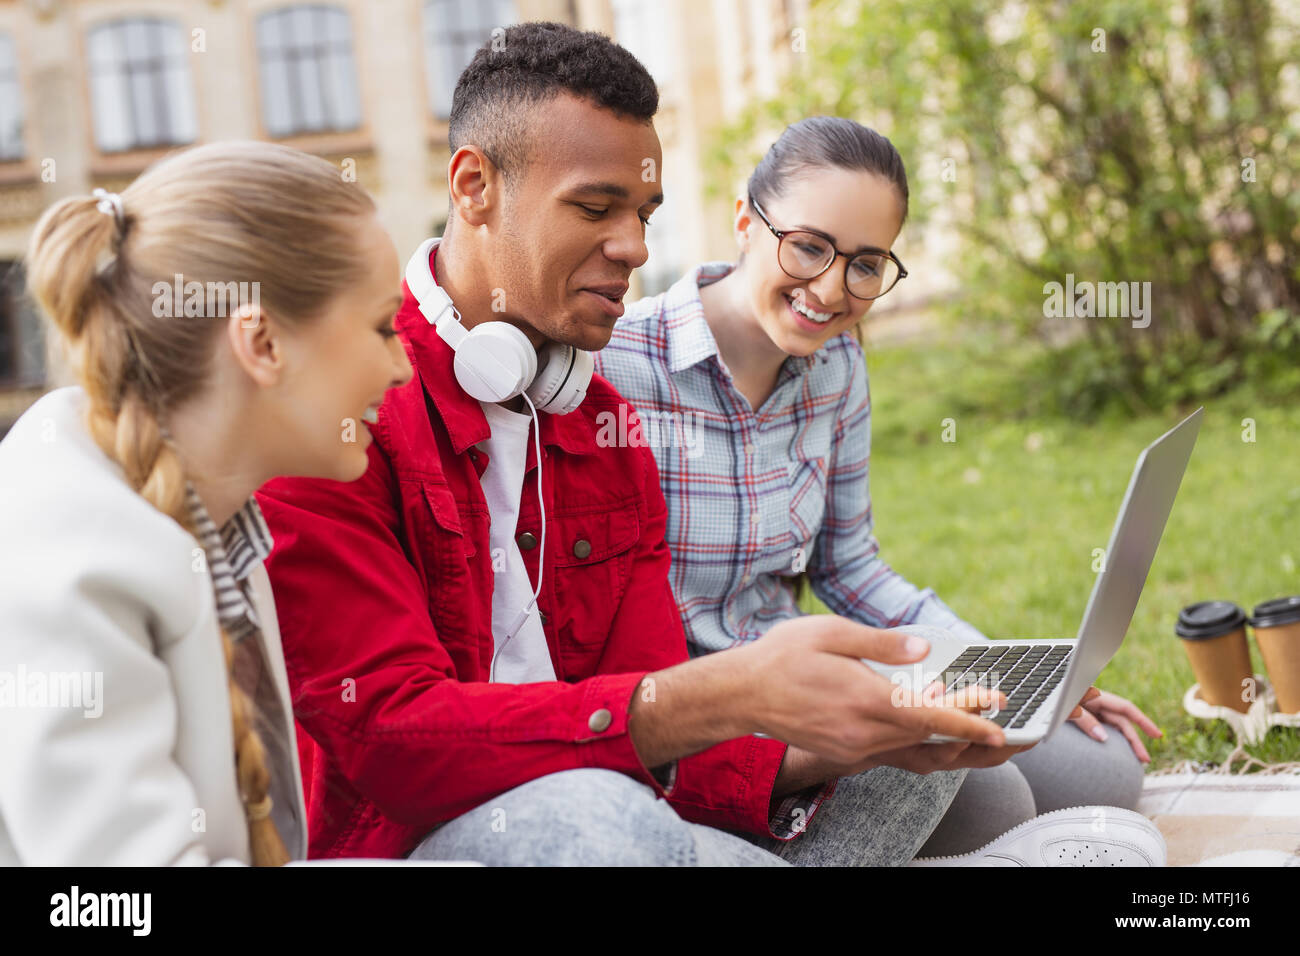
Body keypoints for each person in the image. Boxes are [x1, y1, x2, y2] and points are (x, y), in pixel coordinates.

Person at [255, 23, 1162, 867]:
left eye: (644, 211)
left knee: (922, 776)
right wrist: (721, 697)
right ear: (474, 186)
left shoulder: (597, 419)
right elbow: (391, 739)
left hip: (637, 797)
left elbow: (669, 720)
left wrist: (834, 741)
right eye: (597, 207)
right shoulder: (346, 408)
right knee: (602, 822)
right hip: (459, 830)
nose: (633, 246)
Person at [593, 116, 1163, 858]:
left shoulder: (837, 371)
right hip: (712, 709)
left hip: (809, 674)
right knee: (999, 800)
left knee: (1105, 772)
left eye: (866, 263)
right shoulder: (619, 367)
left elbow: (849, 567)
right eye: (808, 247)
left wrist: (1014, 667)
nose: (830, 289)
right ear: (745, 222)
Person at [0, 140, 413, 864]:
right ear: (262, 342)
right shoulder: (67, 558)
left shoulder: (216, 527)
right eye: (383, 327)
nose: (402, 366)